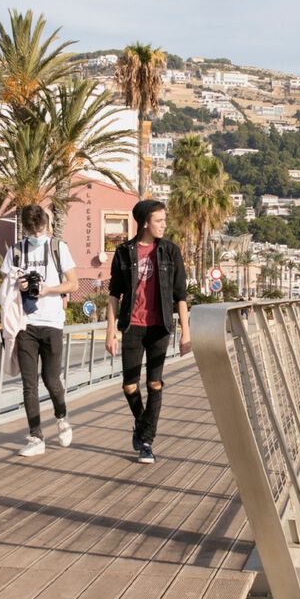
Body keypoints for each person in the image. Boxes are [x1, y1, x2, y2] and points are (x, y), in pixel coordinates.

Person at [105, 199, 190, 464]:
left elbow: (181, 296)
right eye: (159, 220)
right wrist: (111, 330)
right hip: (132, 325)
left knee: (154, 383)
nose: (164, 225)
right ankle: (143, 426)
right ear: (145, 223)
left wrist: (185, 331)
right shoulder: (124, 252)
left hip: (159, 326)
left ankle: (146, 441)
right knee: (130, 385)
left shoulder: (170, 251)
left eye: (164, 220)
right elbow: (113, 295)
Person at [4, 204, 78, 457]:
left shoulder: (58, 248)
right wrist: (19, 285)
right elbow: (4, 289)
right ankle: (36, 437)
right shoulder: (15, 252)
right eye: (33, 231)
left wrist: (48, 290)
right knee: (28, 384)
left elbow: (74, 283)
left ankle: (62, 417)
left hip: (53, 323)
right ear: (25, 228)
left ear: (46, 225)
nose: (37, 236)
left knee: (51, 379)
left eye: (41, 230)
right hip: (25, 324)